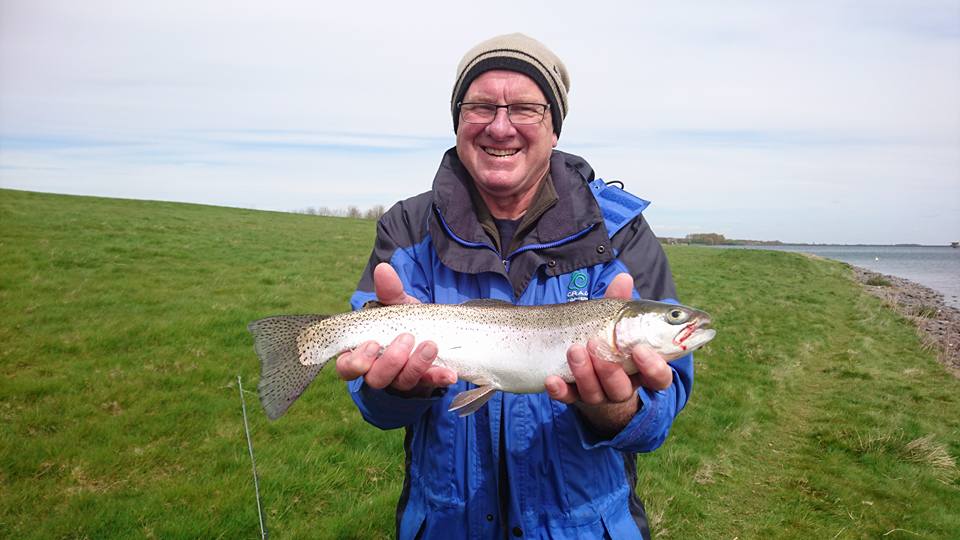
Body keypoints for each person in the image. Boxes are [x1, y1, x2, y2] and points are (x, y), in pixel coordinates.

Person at [335, 33, 693, 539]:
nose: (500, 126)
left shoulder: (619, 231)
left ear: (554, 128)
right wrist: (397, 389)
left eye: (526, 108)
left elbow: (661, 414)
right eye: (480, 106)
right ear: (459, 121)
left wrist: (615, 407)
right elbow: (372, 400)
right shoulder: (407, 226)